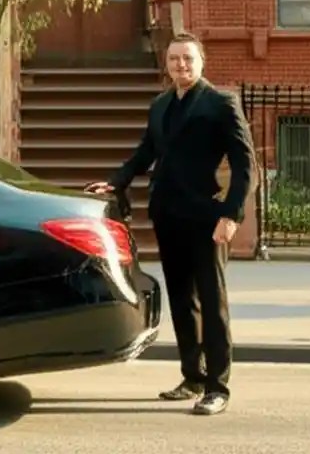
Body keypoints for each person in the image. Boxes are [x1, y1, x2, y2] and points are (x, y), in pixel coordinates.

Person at [86, 31, 256, 416]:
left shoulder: (220, 103)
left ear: (201, 62)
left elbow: (246, 166)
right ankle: (192, 377)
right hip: (168, 215)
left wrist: (232, 215)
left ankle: (217, 387)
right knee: (182, 300)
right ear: (167, 63)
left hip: (207, 218)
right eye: (175, 58)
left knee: (213, 303)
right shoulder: (160, 104)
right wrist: (116, 181)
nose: (181, 65)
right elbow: (146, 152)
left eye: (188, 59)